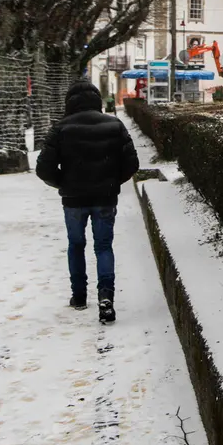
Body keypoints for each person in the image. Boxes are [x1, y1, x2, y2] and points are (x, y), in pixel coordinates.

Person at [36, 81, 139, 323]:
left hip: (73, 200)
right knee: (103, 246)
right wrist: (113, 181)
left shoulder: (61, 128)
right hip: (105, 197)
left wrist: (63, 183)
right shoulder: (115, 125)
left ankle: (79, 296)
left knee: (76, 245)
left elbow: (43, 168)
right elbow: (131, 163)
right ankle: (106, 297)